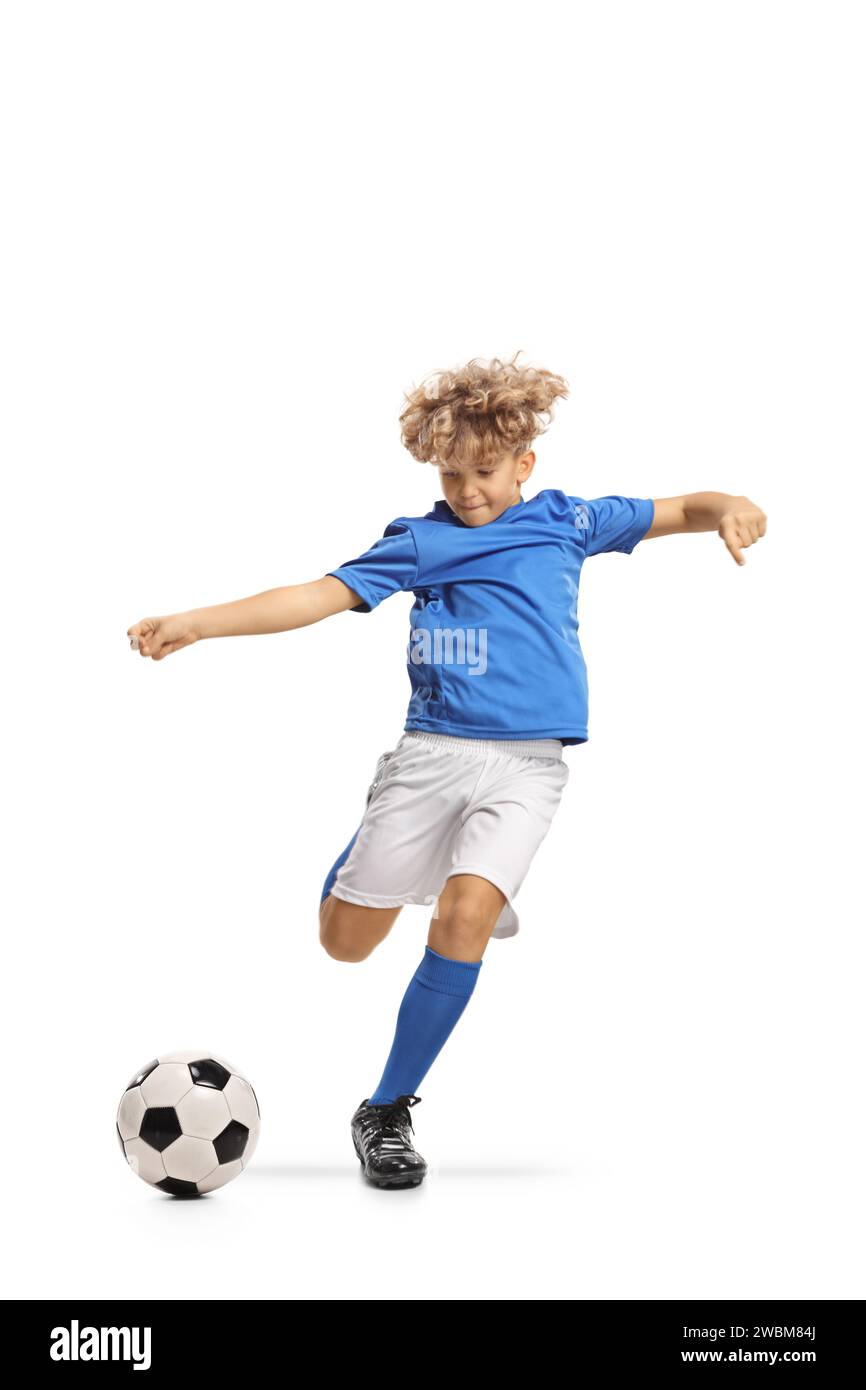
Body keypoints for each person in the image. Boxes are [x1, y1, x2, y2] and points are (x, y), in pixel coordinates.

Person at [127, 351, 767, 1190]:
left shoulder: (567, 522)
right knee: (344, 945)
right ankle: (380, 841)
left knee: (465, 919)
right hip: (431, 761)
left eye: (487, 471)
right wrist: (200, 623)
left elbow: (682, 506)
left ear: (524, 465)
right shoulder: (420, 543)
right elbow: (317, 595)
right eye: (452, 473)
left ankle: (386, 1110)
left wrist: (735, 507)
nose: (468, 490)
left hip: (528, 769)